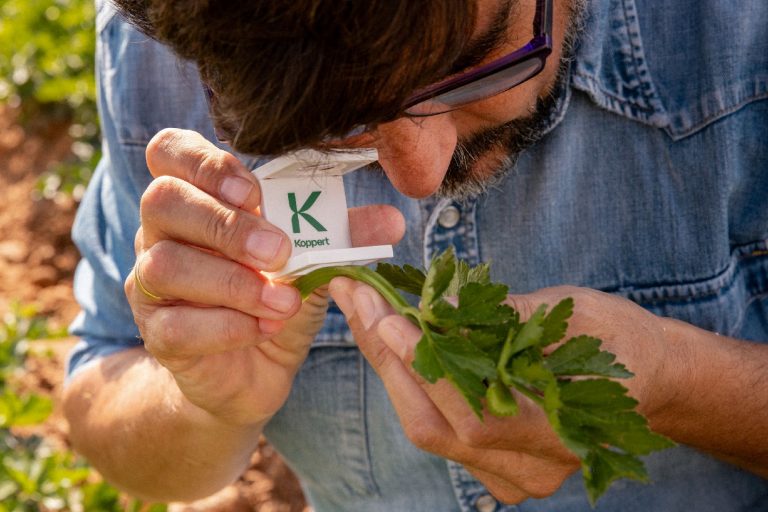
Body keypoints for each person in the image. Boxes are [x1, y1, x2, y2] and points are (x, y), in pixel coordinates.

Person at [63, 0, 768, 510]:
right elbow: (102, 396)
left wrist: (681, 383)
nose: (418, 173)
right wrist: (201, 404)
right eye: (336, 116)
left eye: (478, 63)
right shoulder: (169, 49)